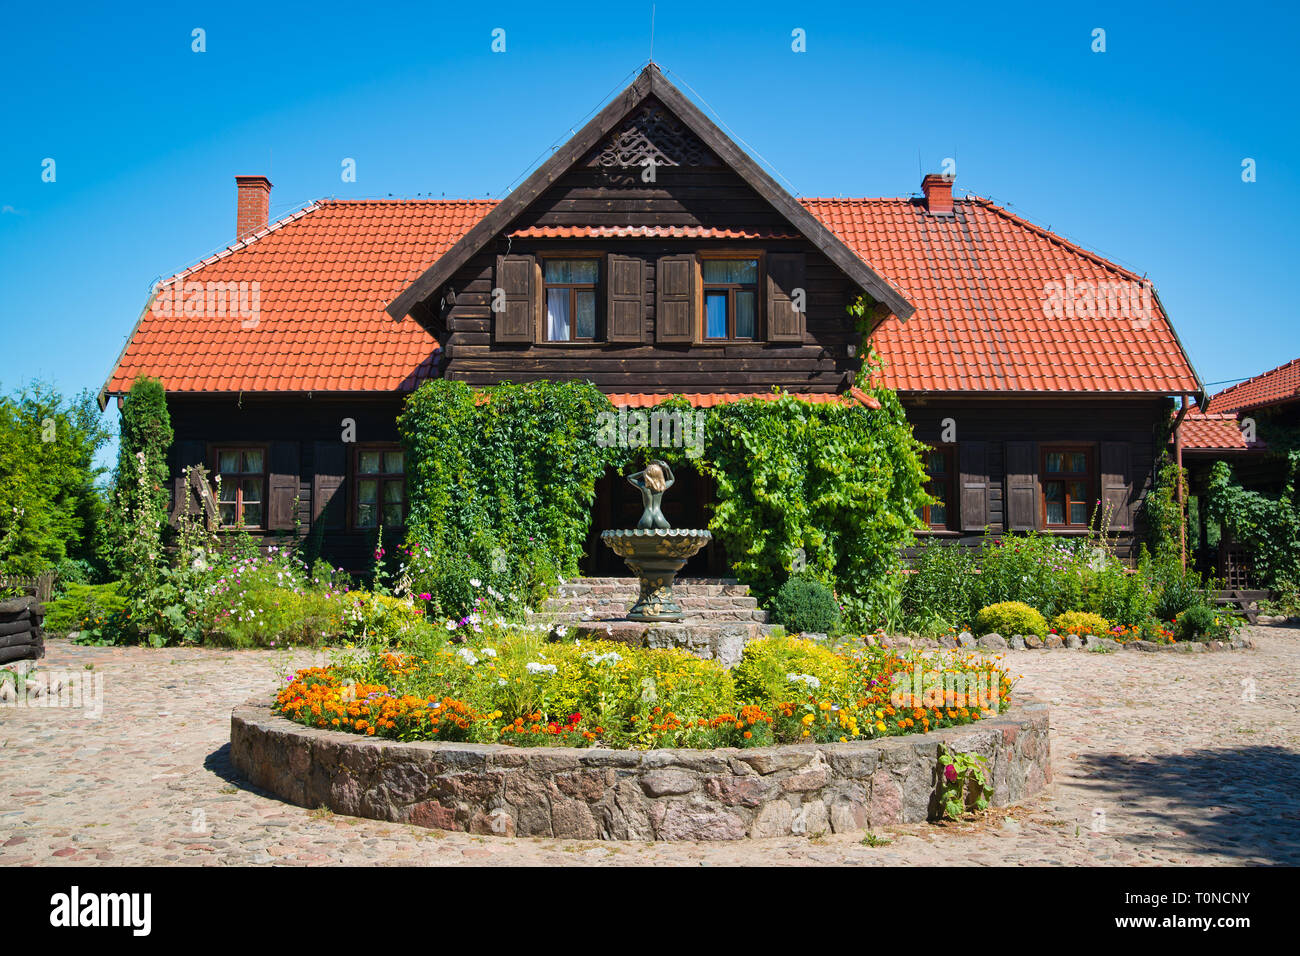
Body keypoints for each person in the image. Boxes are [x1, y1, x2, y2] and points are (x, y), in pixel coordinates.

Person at [627, 460, 675, 529]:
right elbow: (671, 480)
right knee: (667, 531)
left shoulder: (644, 486)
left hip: (646, 518)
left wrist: (644, 472)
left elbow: (629, 478)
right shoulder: (662, 486)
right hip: (659, 517)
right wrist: (667, 468)